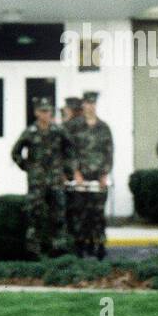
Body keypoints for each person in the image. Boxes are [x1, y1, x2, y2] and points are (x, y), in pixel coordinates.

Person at [10, 97, 74, 258]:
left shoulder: (58, 131)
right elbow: (15, 152)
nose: (46, 114)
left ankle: (58, 247)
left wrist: (68, 171)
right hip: (37, 182)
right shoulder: (30, 132)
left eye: (48, 111)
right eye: (43, 111)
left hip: (55, 180)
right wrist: (28, 168)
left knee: (58, 214)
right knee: (34, 215)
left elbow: (70, 150)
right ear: (36, 112)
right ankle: (33, 250)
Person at [68, 91, 113, 260]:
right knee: (80, 212)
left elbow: (109, 153)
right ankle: (80, 246)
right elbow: (70, 152)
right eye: (87, 103)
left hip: (98, 177)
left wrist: (104, 173)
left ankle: (99, 245)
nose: (90, 106)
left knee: (98, 213)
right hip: (81, 177)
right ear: (83, 105)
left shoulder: (104, 127)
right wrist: (75, 172)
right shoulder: (74, 126)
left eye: (93, 103)